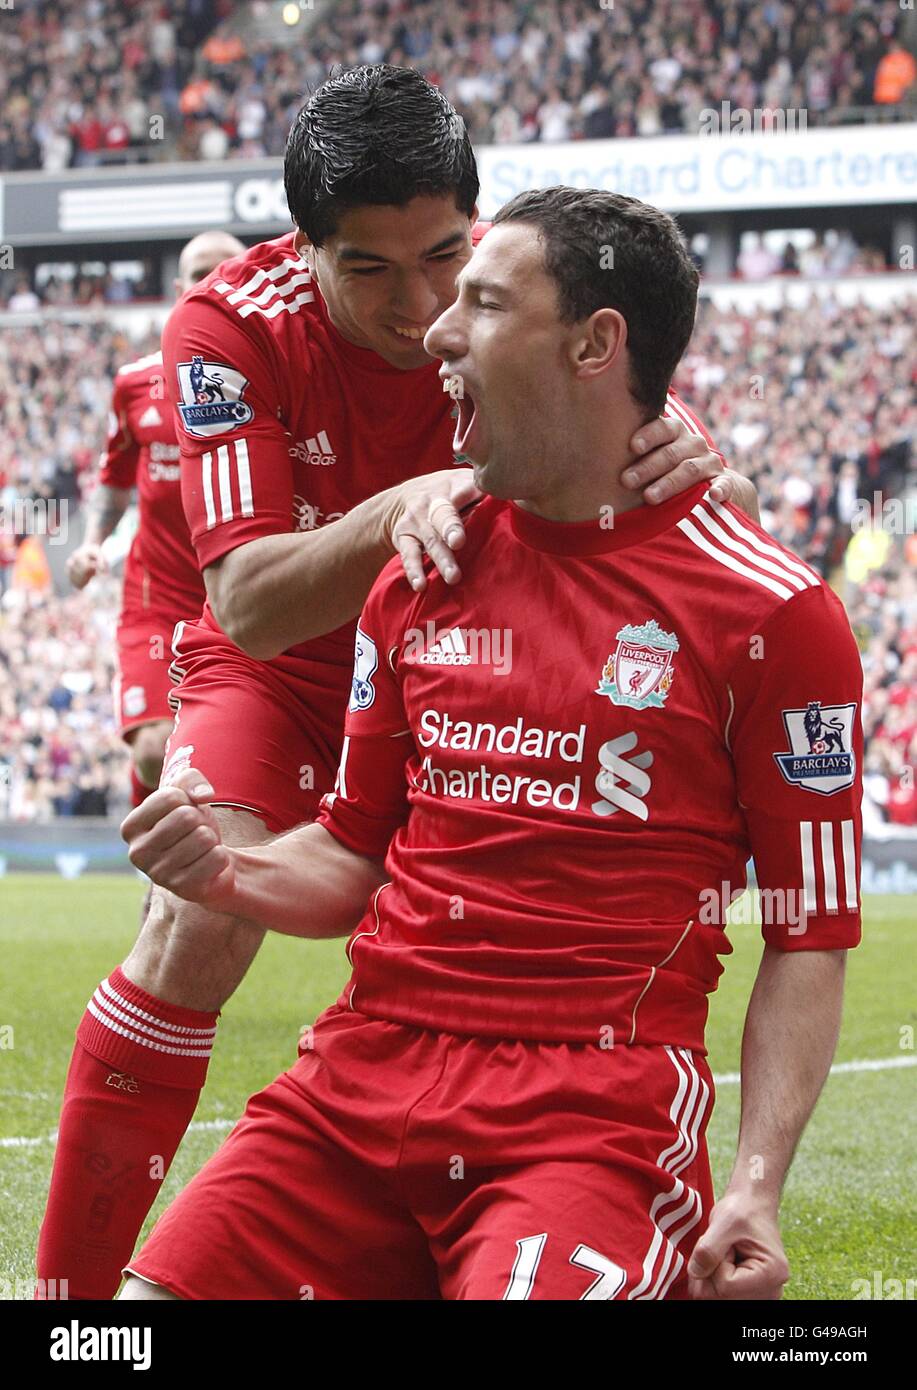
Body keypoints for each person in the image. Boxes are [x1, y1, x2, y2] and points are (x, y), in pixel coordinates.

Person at [37, 66, 754, 1301]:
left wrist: (701, 464)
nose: (422, 305)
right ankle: (68, 1310)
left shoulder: (517, 298)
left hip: (445, 683)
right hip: (280, 676)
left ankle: (548, 1191)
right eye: (367, 269)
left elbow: (694, 501)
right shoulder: (224, 322)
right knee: (195, 923)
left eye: (442, 257)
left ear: (475, 229)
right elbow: (251, 605)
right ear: (302, 245)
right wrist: (397, 512)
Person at [67, 232, 247, 809]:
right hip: (158, 594)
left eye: (224, 270)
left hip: (244, 592)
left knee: (230, 752)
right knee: (152, 747)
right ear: (179, 290)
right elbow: (116, 477)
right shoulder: (135, 383)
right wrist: (93, 543)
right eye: (199, 272)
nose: (211, 281)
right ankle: (157, 866)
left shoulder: (274, 379)